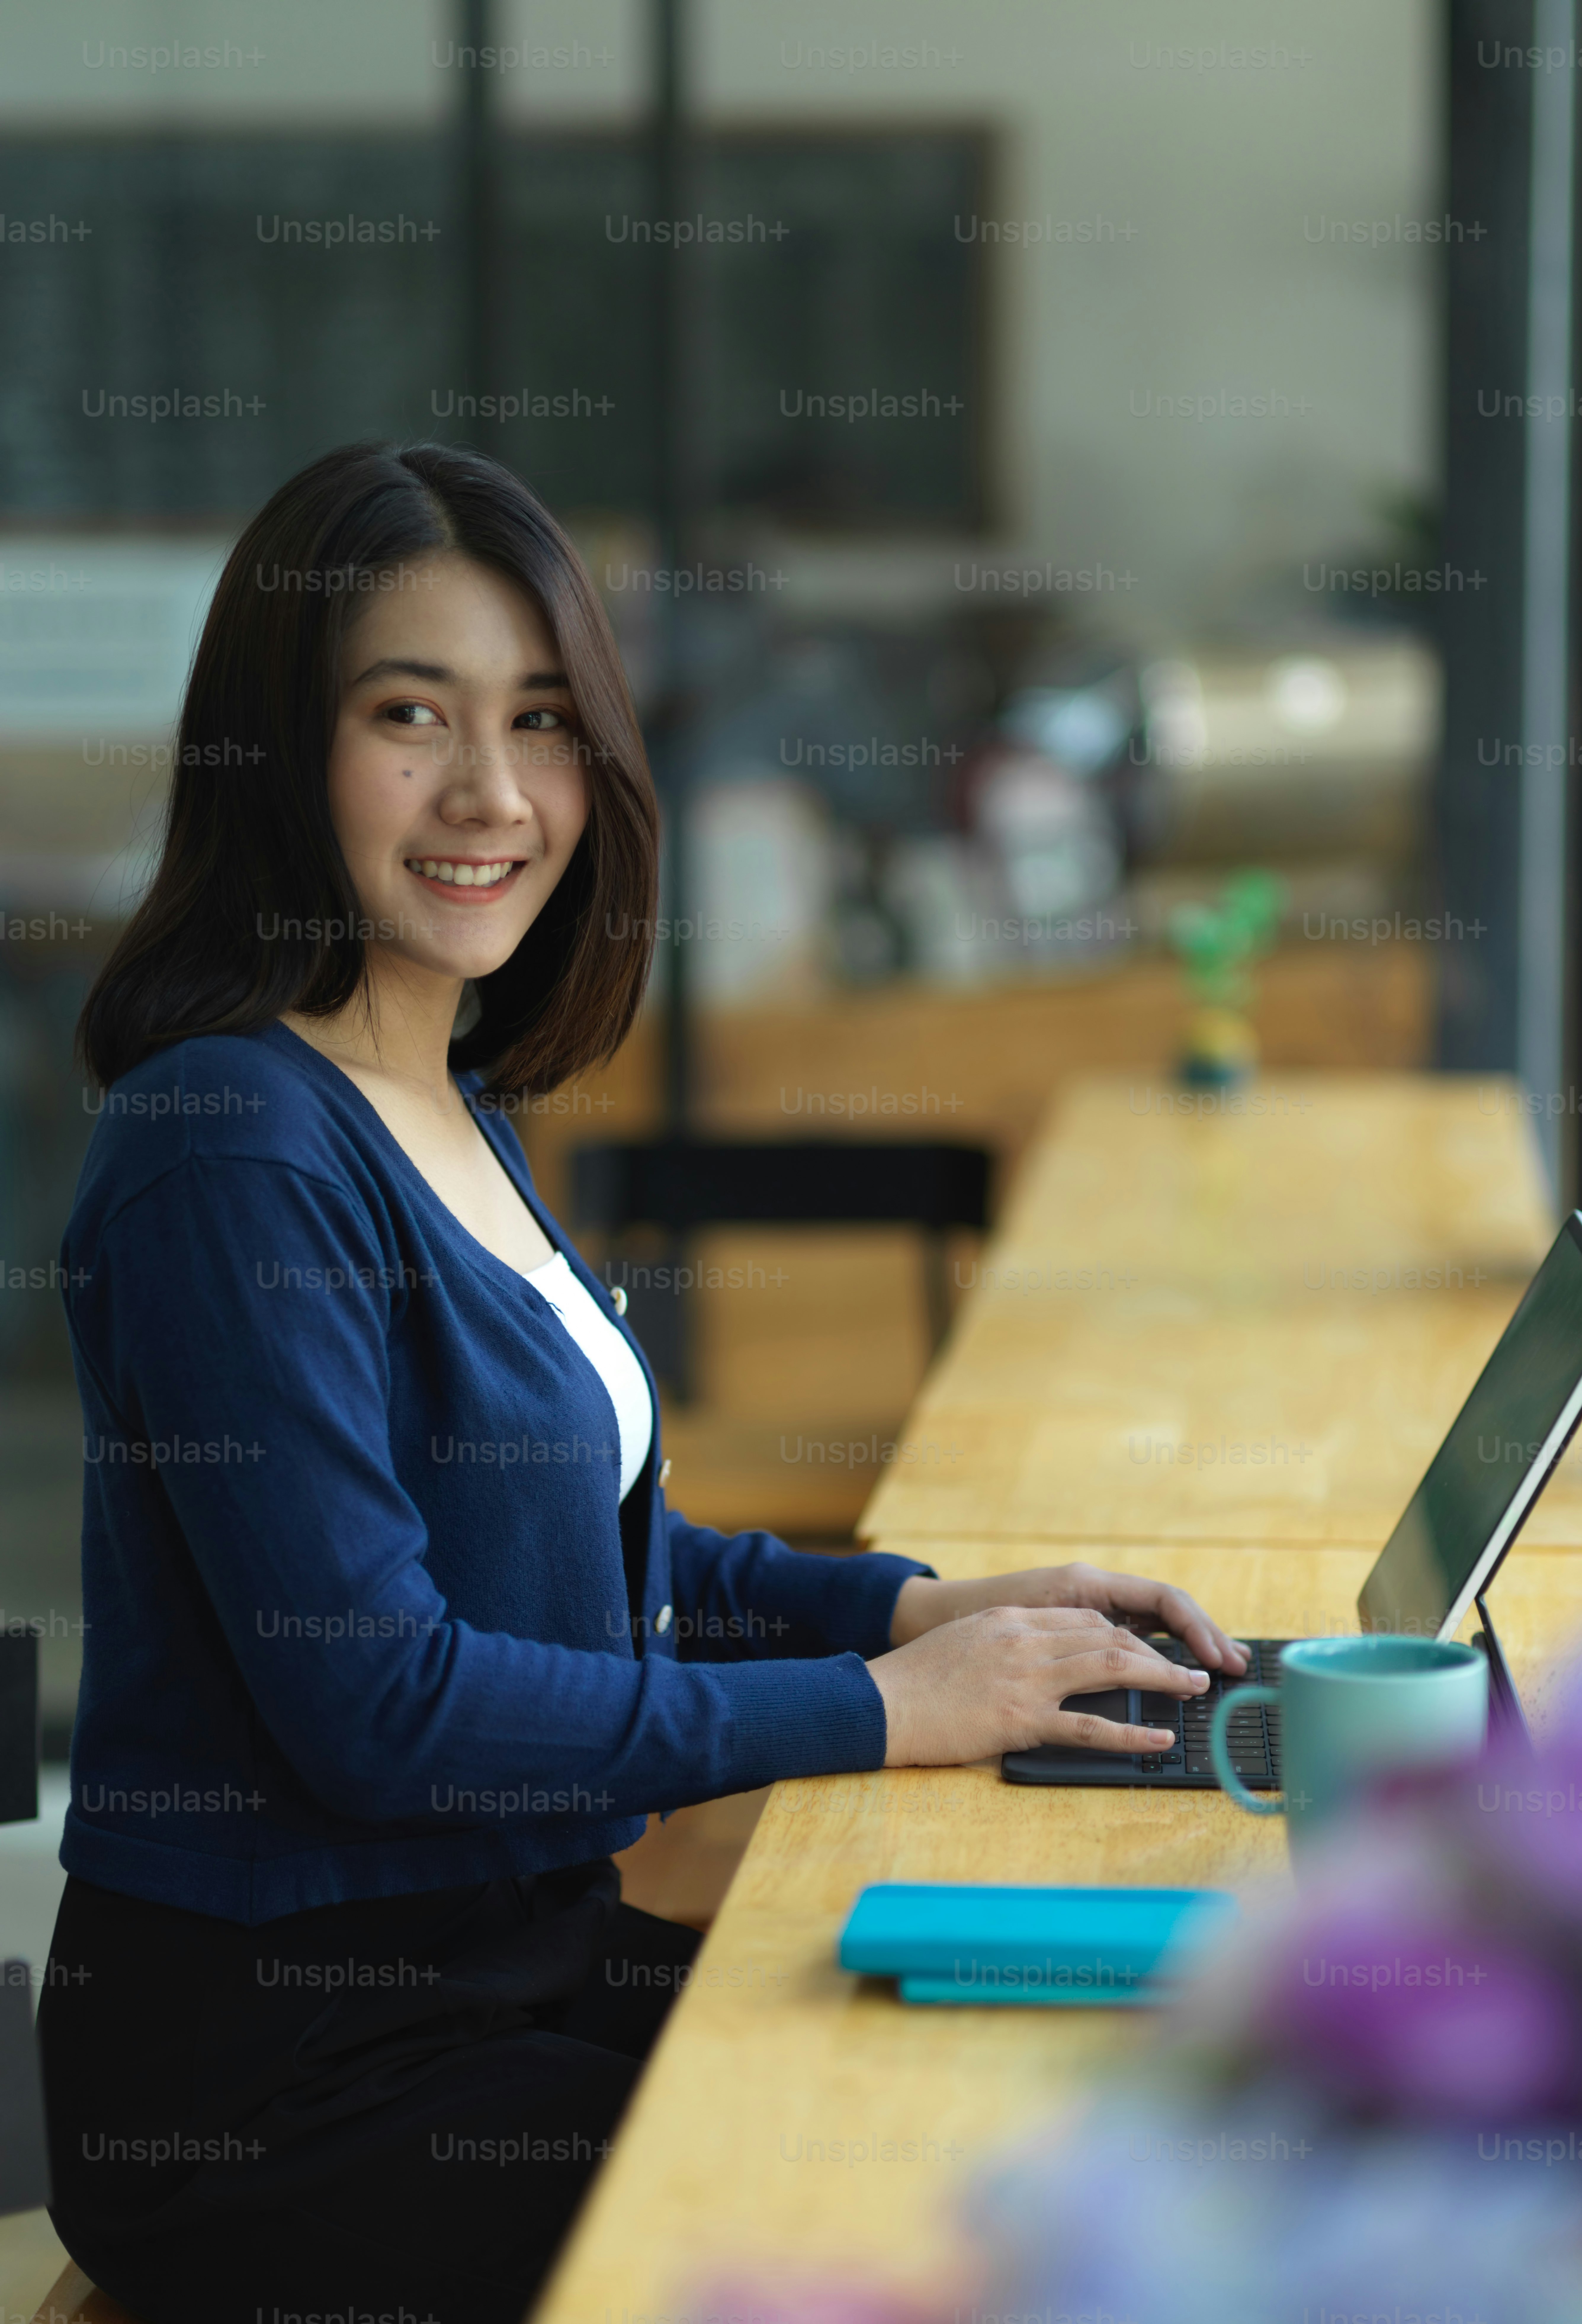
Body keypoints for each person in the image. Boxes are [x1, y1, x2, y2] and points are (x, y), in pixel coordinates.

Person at [38, 441, 1250, 2324]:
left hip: (507, 1972)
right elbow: (382, 1705)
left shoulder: (444, 1097)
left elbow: (616, 1565)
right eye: (407, 716)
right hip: (284, 2089)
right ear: (280, 750)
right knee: (925, 2211)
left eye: (541, 722)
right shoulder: (229, 1142)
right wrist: (880, 1707)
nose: (490, 795)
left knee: (1030, 2092)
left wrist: (944, 1612)